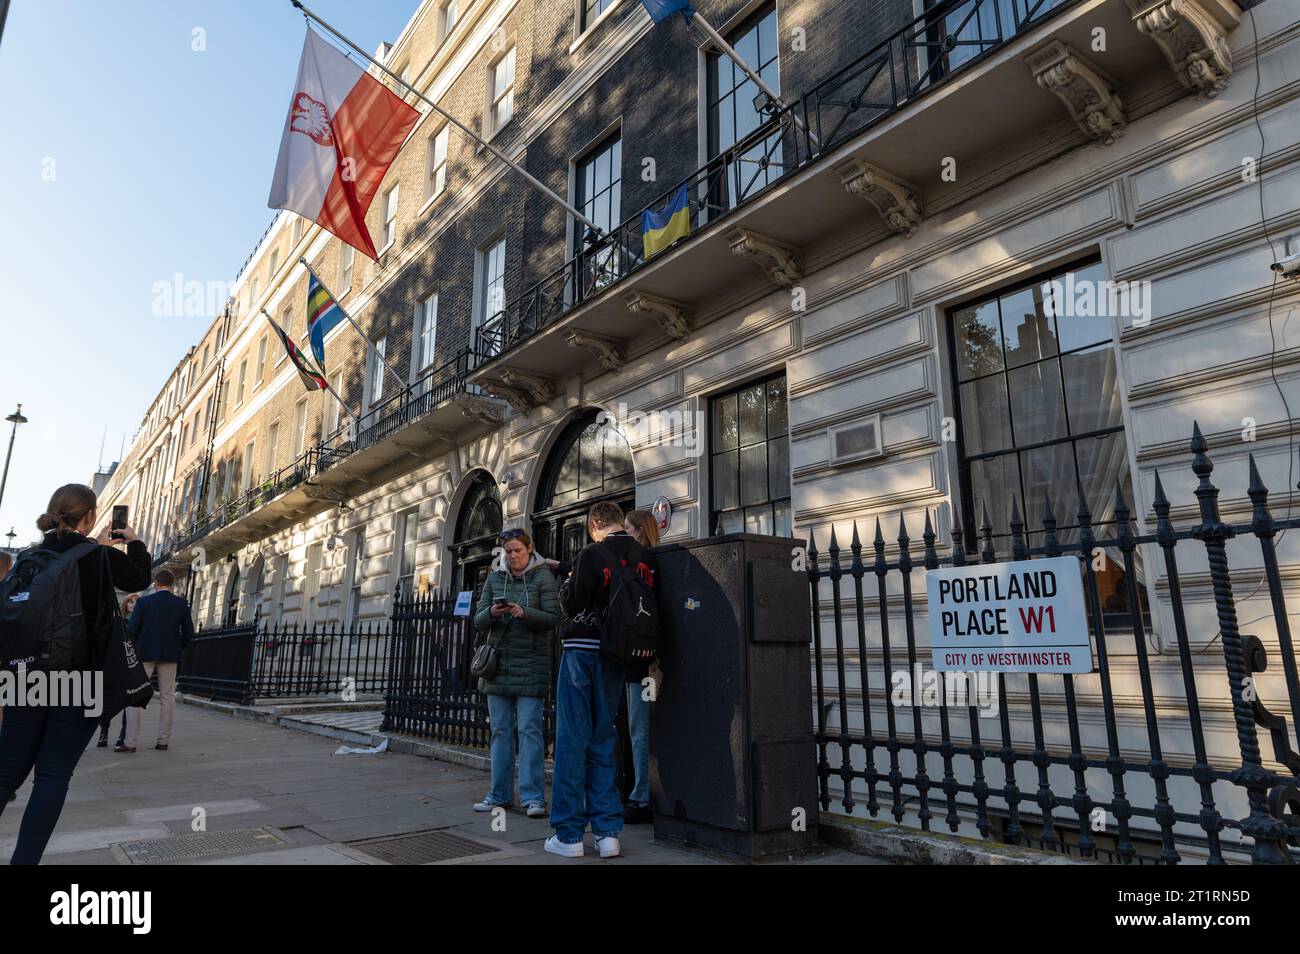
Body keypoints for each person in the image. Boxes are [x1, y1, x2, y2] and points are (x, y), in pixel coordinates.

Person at [0, 483, 150, 864]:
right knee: (52, 777)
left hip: (24, 678)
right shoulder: (97, 556)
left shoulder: (30, 556)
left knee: (6, 775)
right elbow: (138, 579)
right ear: (90, 516)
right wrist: (131, 542)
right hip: (79, 681)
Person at [545, 500, 655, 859]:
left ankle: (569, 834)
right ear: (621, 522)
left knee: (572, 740)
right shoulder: (643, 555)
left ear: (594, 524)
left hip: (581, 650)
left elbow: (572, 604)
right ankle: (608, 834)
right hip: (617, 657)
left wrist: (569, 582)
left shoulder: (592, 553)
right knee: (604, 738)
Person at [471, 529, 557, 817]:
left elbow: (555, 619)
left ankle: (534, 798)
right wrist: (494, 613)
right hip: (499, 666)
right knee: (499, 732)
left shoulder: (543, 576)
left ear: (530, 548)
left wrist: (524, 613)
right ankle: (499, 795)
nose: (512, 555)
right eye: (508, 551)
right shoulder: (495, 578)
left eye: (517, 550)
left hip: (531, 665)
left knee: (530, 731)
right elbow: (478, 620)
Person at [120, 569, 194, 753]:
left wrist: (135, 648)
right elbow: (189, 632)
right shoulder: (181, 603)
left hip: (144, 653)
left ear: (155, 584)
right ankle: (163, 741)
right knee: (167, 697)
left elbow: (132, 628)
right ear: (172, 585)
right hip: (170, 654)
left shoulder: (144, 602)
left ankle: (130, 742)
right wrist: (177, 647)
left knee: (135, 696)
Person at [619, 509, 660, 824]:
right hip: (648, 657)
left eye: (627, 529)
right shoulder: (655, 560)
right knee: (637, 728)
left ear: (639, 531)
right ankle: (637, 791)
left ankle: (640, 796)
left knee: (638, 729)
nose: (624, 535)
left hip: (639, 659)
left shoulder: (639, 562)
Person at [96, 592, 138, 749]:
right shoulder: (117, 621)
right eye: (130, 602)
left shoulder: (141, 622)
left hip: (131, 663)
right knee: (107, 699)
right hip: (114, 662)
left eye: (136, 603)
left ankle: (123, 734)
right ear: (125, 604)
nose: (133, 605)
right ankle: (103, 733)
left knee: (129, 701)